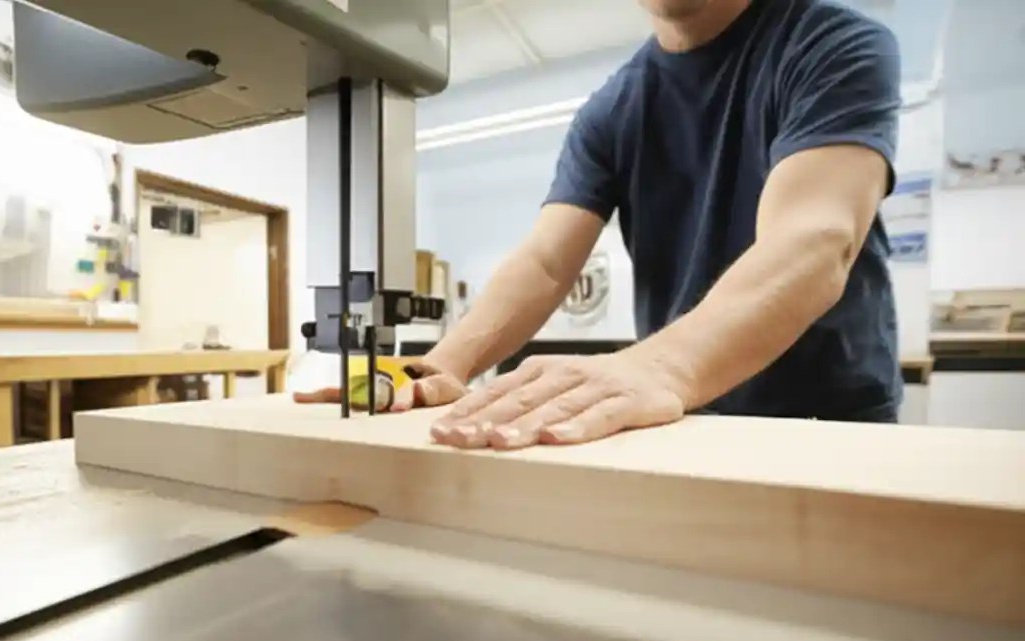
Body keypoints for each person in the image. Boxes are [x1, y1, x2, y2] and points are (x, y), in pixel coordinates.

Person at [298, 0, 903, 450]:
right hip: (683, 420)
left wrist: (658, 366)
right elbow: (545, 262)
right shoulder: (612, 109)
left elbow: (816, 240)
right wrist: (442, 365)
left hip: (829, 423)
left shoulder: (833, 44)